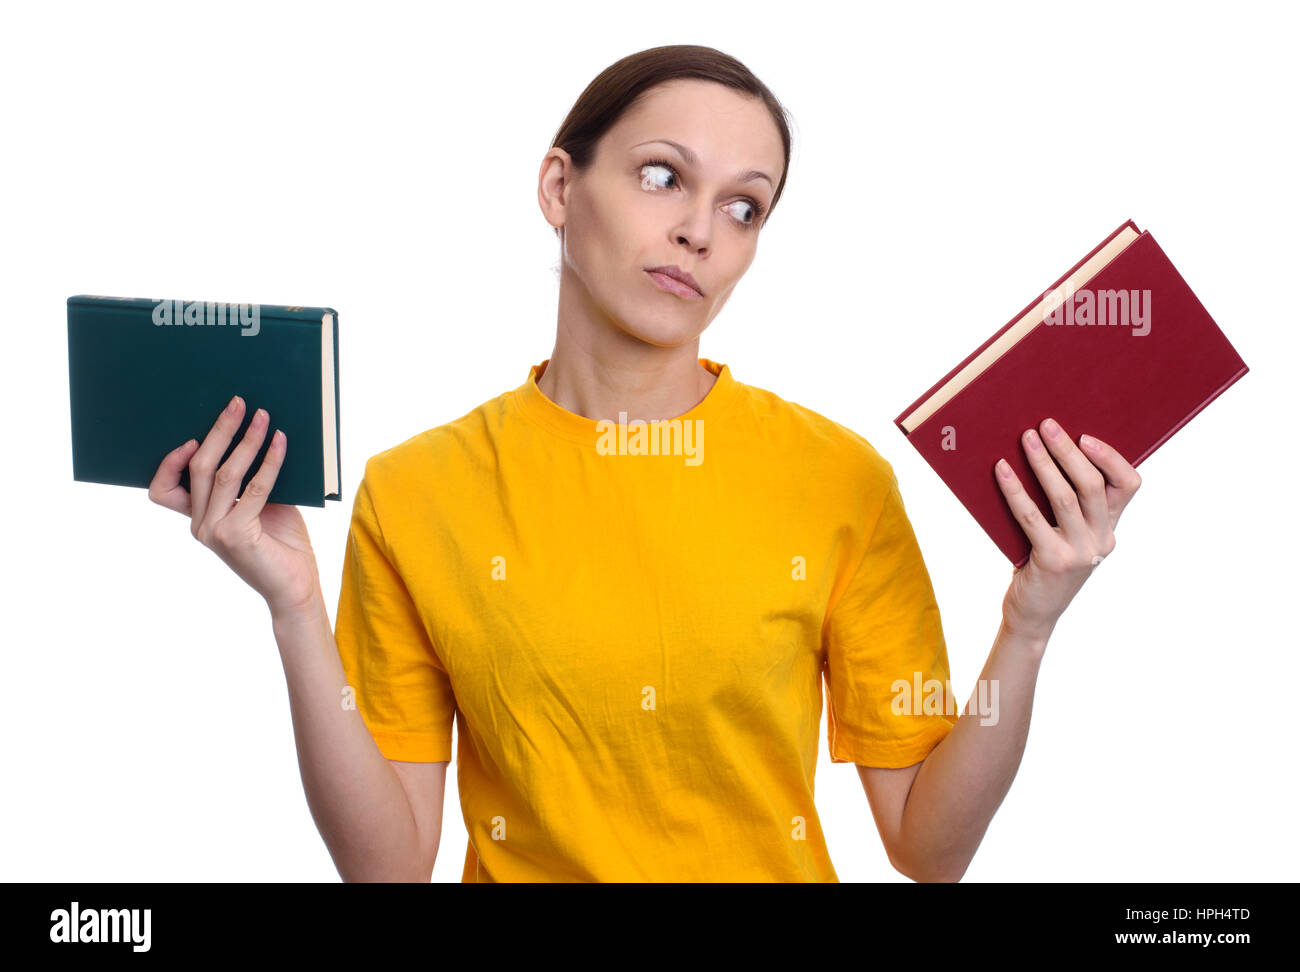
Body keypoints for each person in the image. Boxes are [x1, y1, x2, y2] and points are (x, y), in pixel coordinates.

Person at [148, 44, 1142, 882]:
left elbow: (929, 848)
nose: (698, 232)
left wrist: (1029, 622)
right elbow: (390, 866)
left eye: (744, 207)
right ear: (559, 186)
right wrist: (291, 607)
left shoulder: (837, 479)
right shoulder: (416, 490)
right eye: (662, 176)